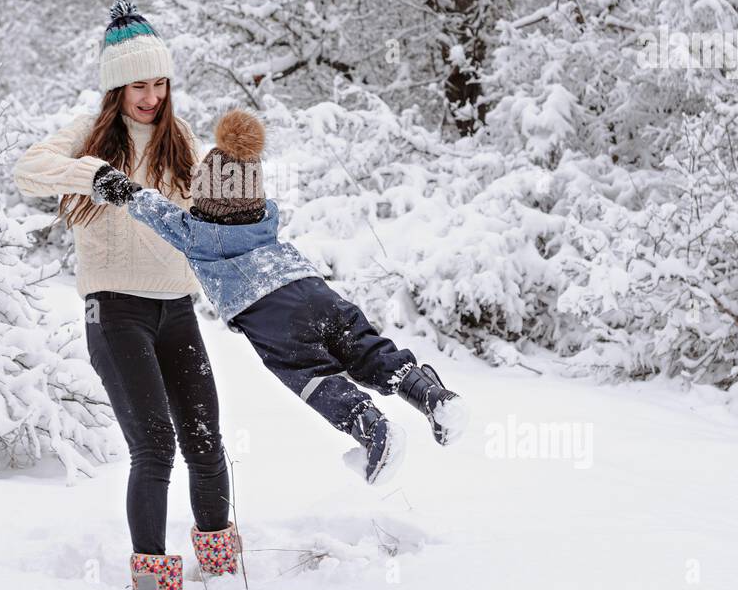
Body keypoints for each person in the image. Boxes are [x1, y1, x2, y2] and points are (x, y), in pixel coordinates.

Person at [88, 107, 469, 485]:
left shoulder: (195, 234)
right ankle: (430, 395)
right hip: (311, 287)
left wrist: (117, 186)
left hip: (269, 312)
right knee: (365, 347)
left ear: (203, 198)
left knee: (309, 374)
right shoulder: (265, 217)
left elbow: (152, 209)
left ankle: (370, 429)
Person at [12, 0, 240, 590]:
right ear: (116, 87)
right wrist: (94, 177)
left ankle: (222, 570)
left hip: (177, 307)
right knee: (155, 445)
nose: (151, 96)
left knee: (206, 439)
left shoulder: (181, 139)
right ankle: (151, 584)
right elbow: (28, 170)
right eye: (138, 84)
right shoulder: (87, 136)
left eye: (160, 82)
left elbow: (213, 208)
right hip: (115, 311)